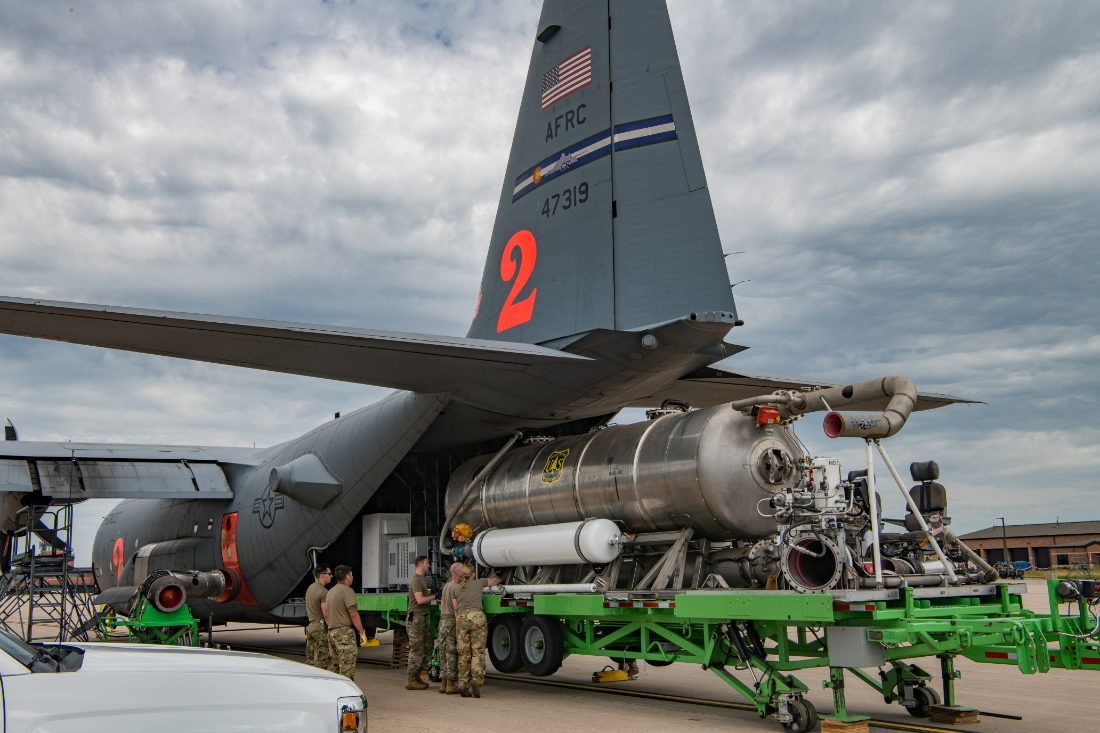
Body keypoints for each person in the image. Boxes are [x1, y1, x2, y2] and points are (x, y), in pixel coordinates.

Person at [454, 564, 499, 698]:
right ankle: (477, 681)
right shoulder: (479, 583)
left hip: (462, 619)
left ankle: (462, 683)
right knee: (477, 652)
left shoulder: (455, 588)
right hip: (477, 618)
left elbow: (455, 608)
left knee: (463, 654)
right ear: (472, 574)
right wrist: (500, 579)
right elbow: (494, 581)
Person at [324, 565, 366, 681]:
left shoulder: (330, 591)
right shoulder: (347, 591)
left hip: (332, 633)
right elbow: (353, 613)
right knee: (347, 671)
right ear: (347, 576)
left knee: (335, 670)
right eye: (351, 575)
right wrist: (362, 632)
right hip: (344, 635)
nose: (352, 577)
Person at [405, 555, 436, 690]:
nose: (429, 565)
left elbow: (423, 593)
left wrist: (431, 591)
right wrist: (434, 596)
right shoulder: (416, 579)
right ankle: (411, 679)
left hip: (422, 618)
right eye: (427, 563)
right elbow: (420, 600)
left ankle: (417, 675)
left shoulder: (421, 579)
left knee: (428, 646)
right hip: (416, 618)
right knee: (417, 649)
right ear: (420, 564)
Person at [437, 562, 463, 695]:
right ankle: (451, 684)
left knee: (444, 653)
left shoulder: (446, 586)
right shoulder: (457, 587)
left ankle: (444, 683)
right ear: (457, 572)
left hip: (443, 621)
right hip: (452, 621)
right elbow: (456, 607)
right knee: (452, 652)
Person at [304, 563, 333, 670]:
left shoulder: (310, 588)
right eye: (329, 574)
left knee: (310, 659)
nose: (331, 576)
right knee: (321, 659)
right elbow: (326, 614)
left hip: (311, 626)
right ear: (322, 575)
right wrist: (331, 627)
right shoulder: (324, 592)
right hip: (320, 627)